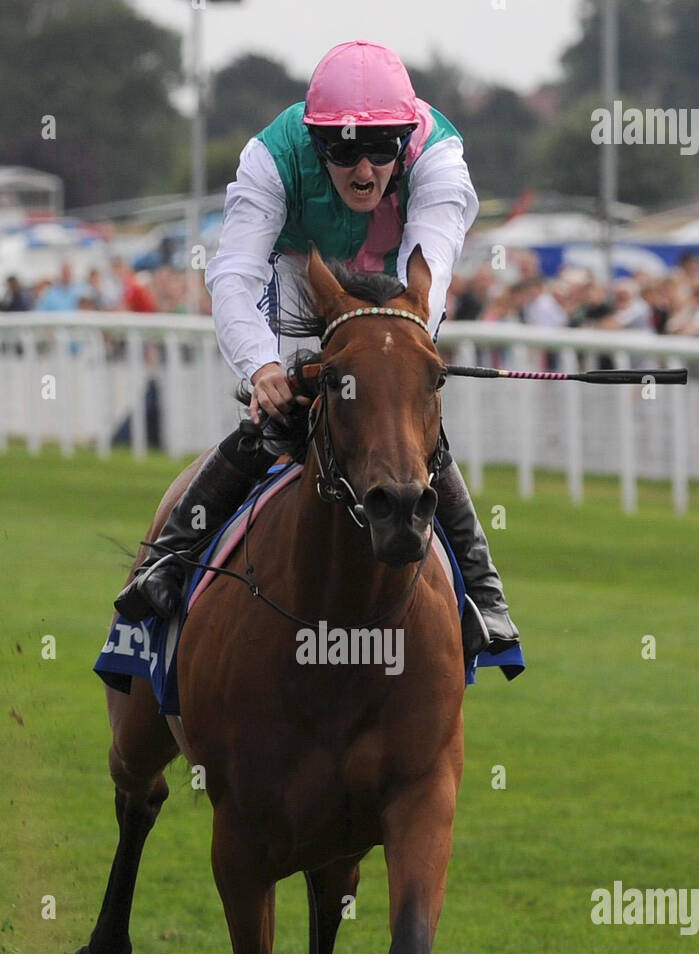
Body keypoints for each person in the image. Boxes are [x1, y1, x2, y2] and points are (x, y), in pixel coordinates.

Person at [116, 40, 520, 665]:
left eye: (382, 150)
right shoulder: (270, 157)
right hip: (299, 284)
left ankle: (484, 598)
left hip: (393, 296)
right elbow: (235, 277)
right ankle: (167, 563)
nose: (364, 171)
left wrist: (393, 354)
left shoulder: (439, 157)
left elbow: (430, 273)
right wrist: (264, 368)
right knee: (276, 420)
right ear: (314, 141)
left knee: (410, 435)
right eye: (342, 150)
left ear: (405, 138)